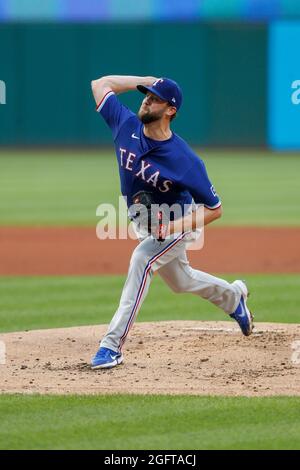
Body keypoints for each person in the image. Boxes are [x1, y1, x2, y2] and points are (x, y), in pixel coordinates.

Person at [90, 75, 253, 369]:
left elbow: (215, 209)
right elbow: (100, 84)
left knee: (142, 260)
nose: (146, 99)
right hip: (144, 221)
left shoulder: (185, 160)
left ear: (170, 111)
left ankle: (111, 346)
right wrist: (147, 80)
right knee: (181, 281)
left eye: (154, 97)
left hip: (177, 222)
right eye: (146, 95)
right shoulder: (125, 124)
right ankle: (233, 298)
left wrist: (172, 228)